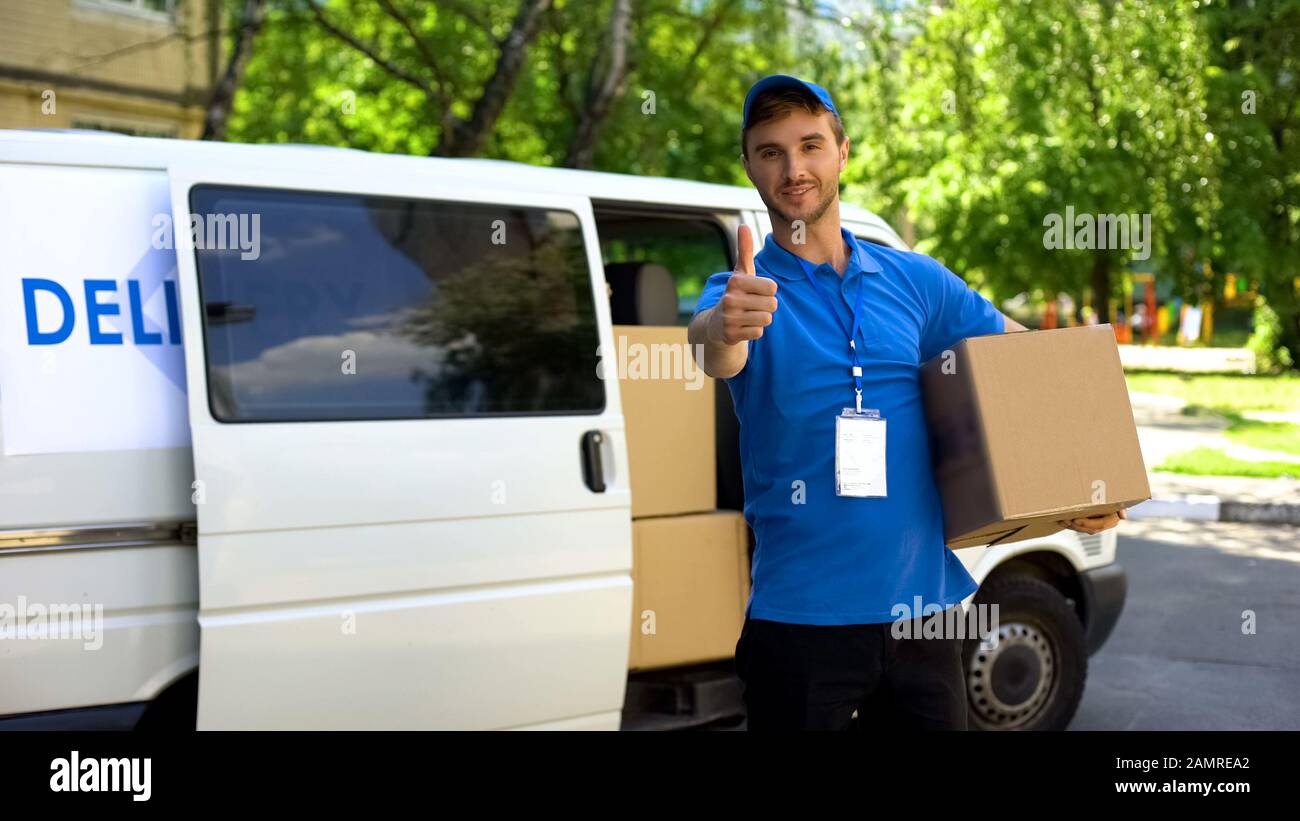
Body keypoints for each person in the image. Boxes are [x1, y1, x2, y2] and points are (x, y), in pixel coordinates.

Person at [686, 75, 1125, 731]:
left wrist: (1086, 479)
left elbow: (1036, 363)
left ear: (843, 150)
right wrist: (724, 326)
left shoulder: (913, 280)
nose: (794, 168)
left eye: (810, 145)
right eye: (771, 151)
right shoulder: (739, 290)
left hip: (927, 617)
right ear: (748, 163)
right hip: (802, 626)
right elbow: (710, 349)